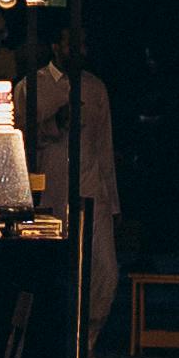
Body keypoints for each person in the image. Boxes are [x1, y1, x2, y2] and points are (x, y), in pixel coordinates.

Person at [26, 56, 120, 342]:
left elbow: (104, 146)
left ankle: (86, 340)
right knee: (57, 270)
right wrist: (54, 122)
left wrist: (113, 202)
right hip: (51, 189)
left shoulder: (94, 87)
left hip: (92, 189)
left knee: (104, 270)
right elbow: (23, 137)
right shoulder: (32, 86)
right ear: (57, 45)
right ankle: (59, 341)